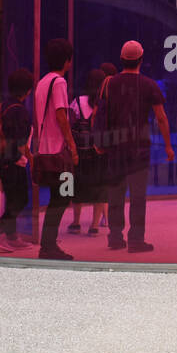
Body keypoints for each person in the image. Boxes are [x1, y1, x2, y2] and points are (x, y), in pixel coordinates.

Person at [95, 40, 174, 253]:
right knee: (138, 196)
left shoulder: (109, 84)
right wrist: (168, 146)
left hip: (115, 148)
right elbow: (161, 118)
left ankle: (115, 237)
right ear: (141, 59)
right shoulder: (149, 84)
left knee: (115, 194)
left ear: (122, 60)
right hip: (139, 149)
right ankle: (136, 240)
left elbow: (99, 113)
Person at [33, 38, 79, 261]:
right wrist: (72, 144)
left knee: (57, 197)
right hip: (59, 151)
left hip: (45, 150)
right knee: (62, 197)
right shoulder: (59, 82)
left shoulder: (42, 83)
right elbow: (62, 115)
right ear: (67, 60)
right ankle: (48, 246)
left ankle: (48, 245)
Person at [0, 69, 34, 253]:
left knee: (12, 198)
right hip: (13, 161)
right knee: (20, 199)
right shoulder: (19, 111)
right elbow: (17, 139)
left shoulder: (4, 106)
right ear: (27, 90)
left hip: (1, 160)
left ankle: (13, 237)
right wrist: (20, 157)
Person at [68, 68, 109, 236]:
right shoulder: (105, 105)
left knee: (76, 187)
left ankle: (76, 223)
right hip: (99, 153)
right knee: (100, 188)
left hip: (80, 154)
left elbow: (69, 127)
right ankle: (94, 226)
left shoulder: (76, 102)